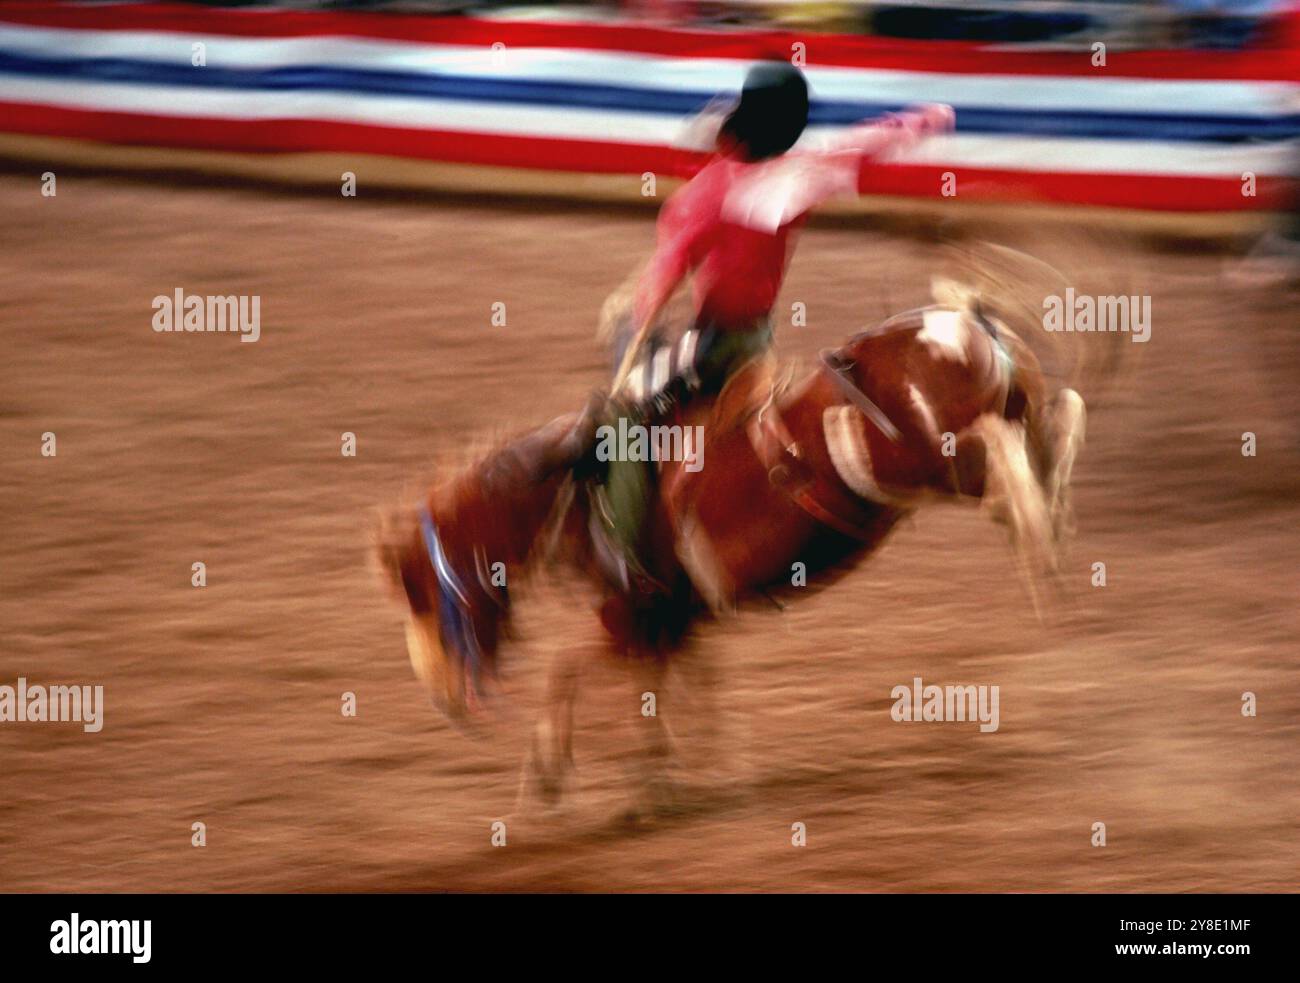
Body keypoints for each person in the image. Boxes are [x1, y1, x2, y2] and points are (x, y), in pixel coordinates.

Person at [586, 62, 956, 584]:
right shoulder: (802, 173)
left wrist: (636, 319)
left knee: (622, 413)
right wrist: (924, 119)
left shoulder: (705, 196)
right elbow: (870, 139)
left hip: (715, 342)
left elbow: (665, 275)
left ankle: (625, 553)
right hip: (760, 338)